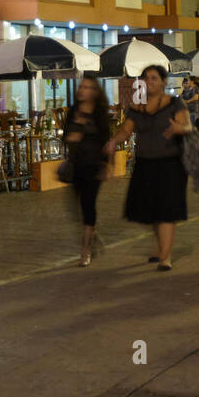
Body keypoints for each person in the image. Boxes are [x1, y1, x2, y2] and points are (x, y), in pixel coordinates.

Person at [104, 65, 194, 271]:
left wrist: (178, 128)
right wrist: (112, 142)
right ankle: (160, 246)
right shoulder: (137, 107)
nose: (149, 81)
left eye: (154, 78)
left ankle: (165, 256)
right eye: (146, 78)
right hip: (145, 164)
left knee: (166, 212)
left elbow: (187, 126)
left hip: (171, 164)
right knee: (152, 212)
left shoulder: (174, 103)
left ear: (163, 81)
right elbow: (126, 130)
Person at [64, 76, 112, 267]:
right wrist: (70, 137)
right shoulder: (73, 111)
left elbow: (106, 140)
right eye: (81, 86)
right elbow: (66, 135)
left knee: (88, 205)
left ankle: (85, 250)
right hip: (76, 165)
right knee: (74, 210)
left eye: (88, 87)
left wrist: (106, 164)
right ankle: (91, 232)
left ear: (94, 92)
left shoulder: (99, 113)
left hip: (94, 165)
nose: (83, 90)